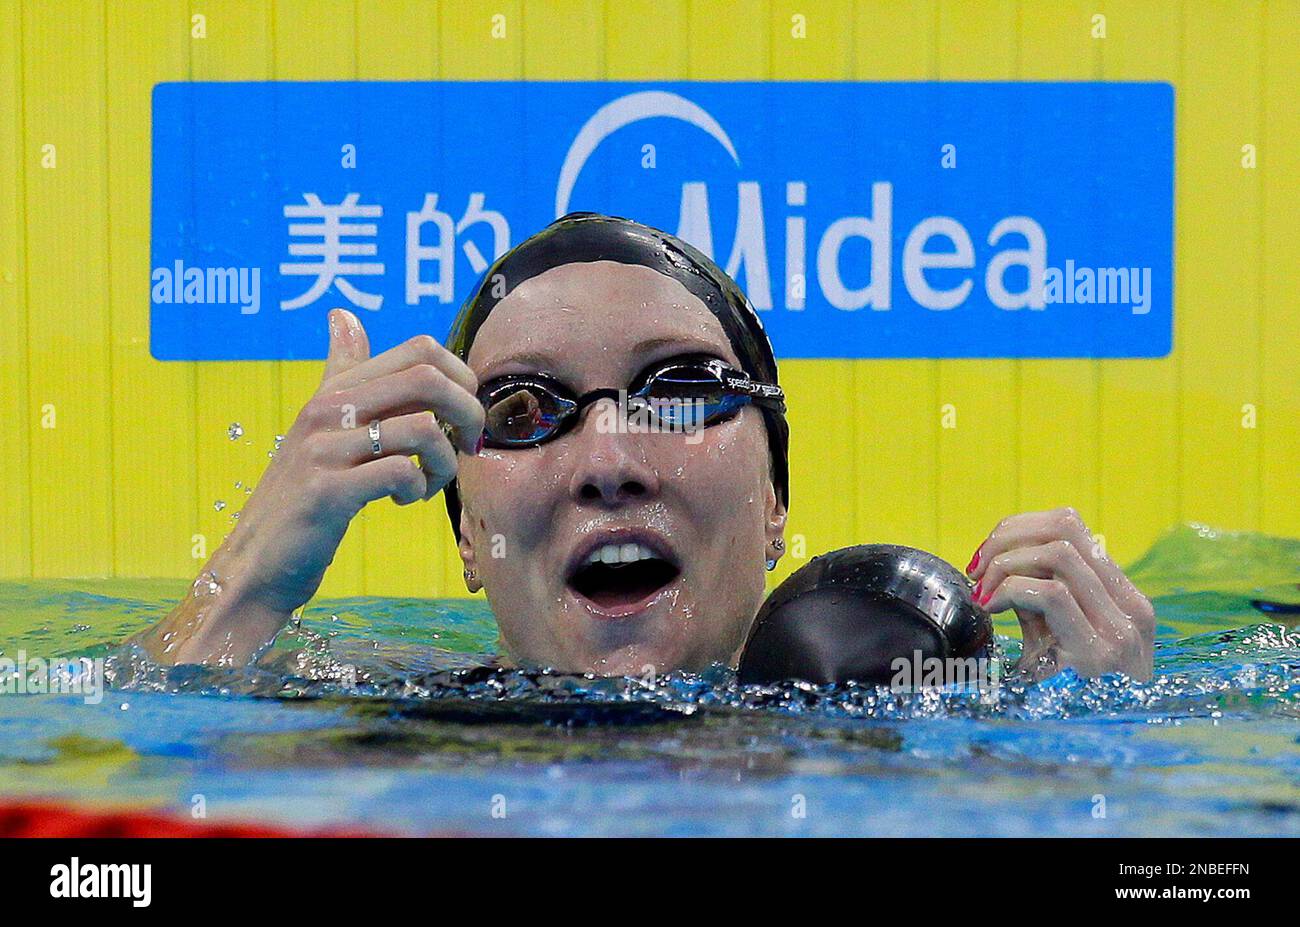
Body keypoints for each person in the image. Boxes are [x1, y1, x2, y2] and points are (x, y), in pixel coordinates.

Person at [135, 213, 1154, 682]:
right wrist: (247, 588)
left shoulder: (923, 714)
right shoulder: (369, 729)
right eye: (527, 412)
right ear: (464, 531)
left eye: (678, 391)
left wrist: (1102, 723)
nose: (608, 456)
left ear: (774, 505)